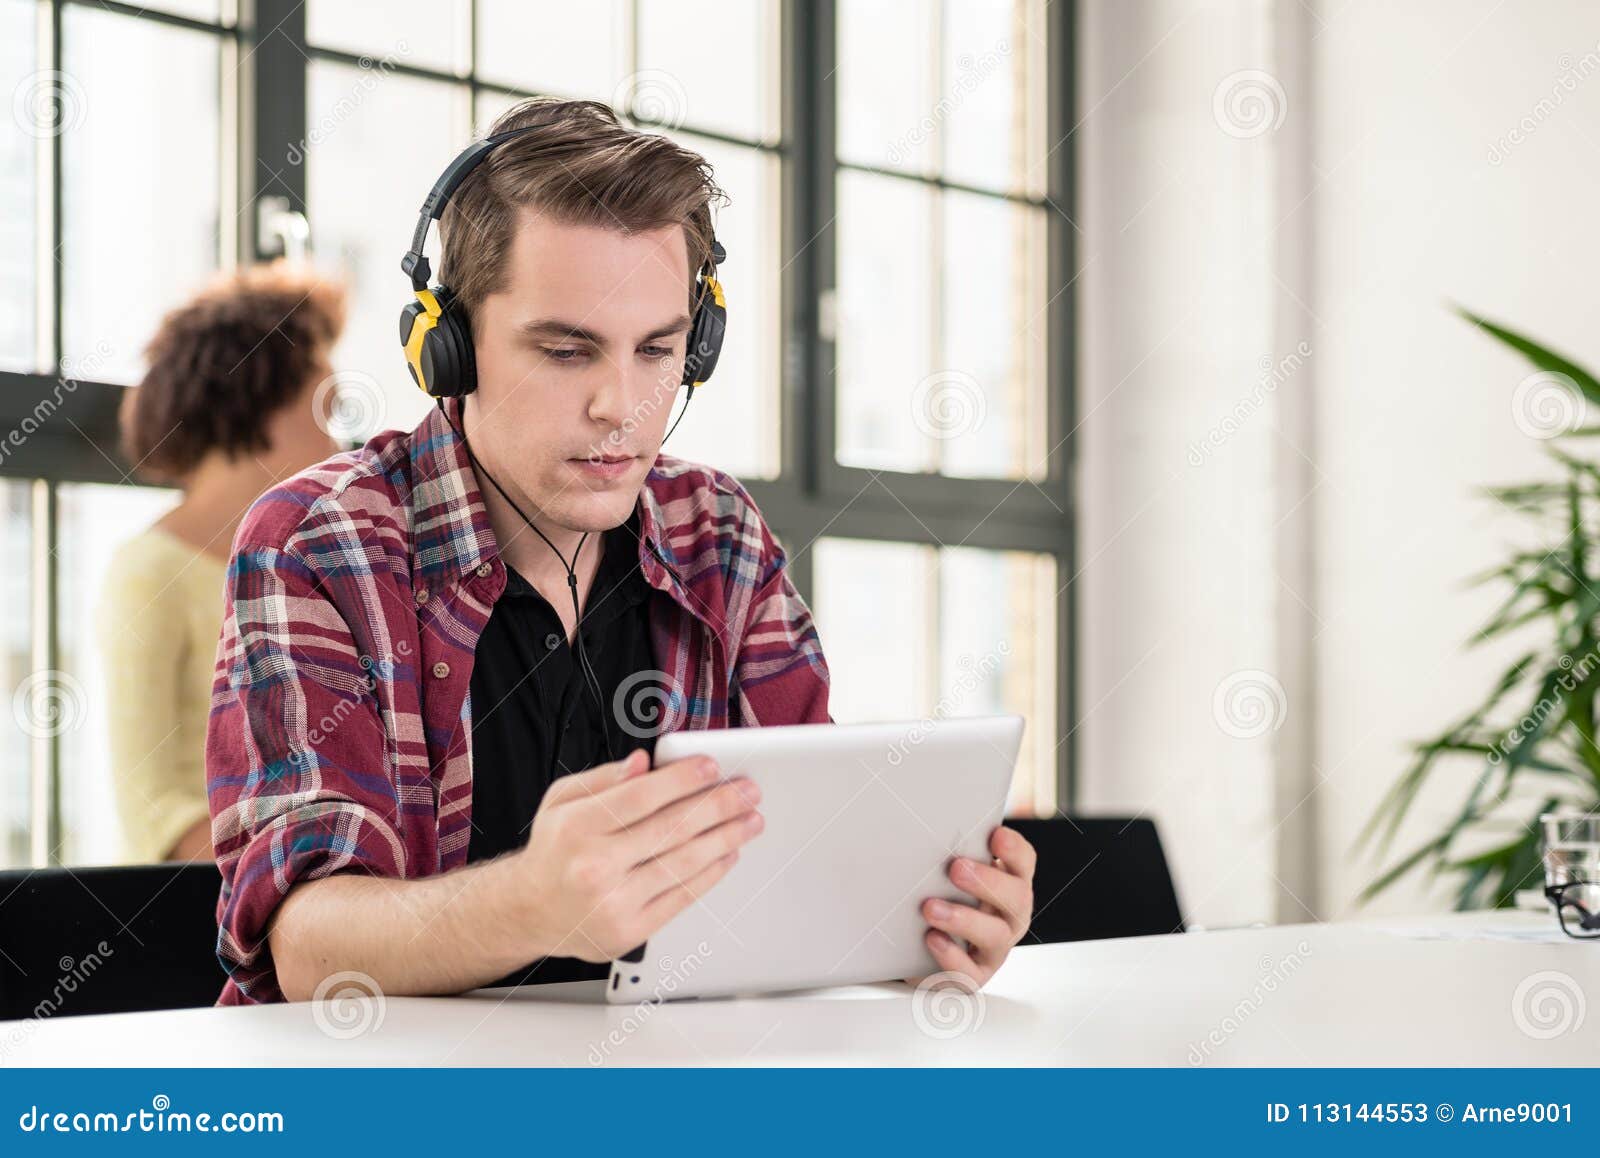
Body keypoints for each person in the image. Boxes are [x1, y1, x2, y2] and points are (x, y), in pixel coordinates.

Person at [205, 97, 1036, 1005]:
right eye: (567, 352)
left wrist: (925, 923)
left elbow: (801, 857)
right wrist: (529, 904)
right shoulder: (319, 544)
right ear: (448, 347)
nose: (623, 406)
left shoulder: (717, 532)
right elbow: (307, 948)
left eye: (658, 350)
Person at [98, 261, 345, 863]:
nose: (337, 446)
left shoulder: (310, 569)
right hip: (203, 923)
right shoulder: (148, 574)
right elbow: (154, 813)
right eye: (325, 411)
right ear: (259, 404)